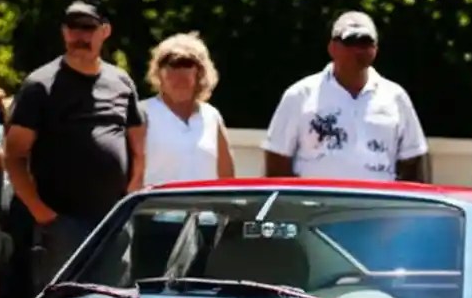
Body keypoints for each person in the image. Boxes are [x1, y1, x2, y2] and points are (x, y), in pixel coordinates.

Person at [4, 0, 145, 296]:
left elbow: (137, 146)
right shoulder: (39, 85)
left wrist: (129, 195)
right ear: (63, 32)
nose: (80, 36)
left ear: (104, 31)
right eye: (72, 28)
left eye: (88, 28)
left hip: (112, 223)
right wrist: (43, 215)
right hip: (61, 226)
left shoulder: (122, 83)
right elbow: (14, 156)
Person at [262, 10, 429, 182]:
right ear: (332, 48)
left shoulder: (395, 97)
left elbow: (412, 160)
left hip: (376, 207)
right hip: (317, 207)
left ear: (375, 49)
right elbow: (277, 157)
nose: (358, 50)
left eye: (365, 42)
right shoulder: (300, 95)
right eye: (350, 41)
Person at [141, 32, 235, 186]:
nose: (179, 73)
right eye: (171, 64)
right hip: (155, 208)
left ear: (200, 72)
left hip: (205, 208)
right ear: (158, 72)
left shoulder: (212, 116)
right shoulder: (142, 113)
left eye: (187, 64)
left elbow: (227, 178)